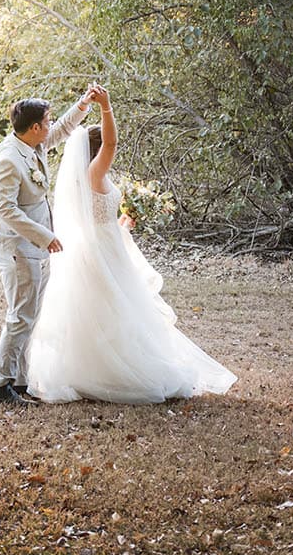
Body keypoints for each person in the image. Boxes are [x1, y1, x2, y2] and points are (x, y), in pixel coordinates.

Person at [25, 85, 236, 404]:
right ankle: (117, 374)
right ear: (97, 152)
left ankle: (97, 371)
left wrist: (123, 223)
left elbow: (97, 216)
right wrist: (105, 106)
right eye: (106, 150)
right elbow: (111, 142)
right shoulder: (95, 171)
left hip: (103, 245)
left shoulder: (89, 178)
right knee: (117, 309)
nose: (112, 153)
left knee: (109, 310)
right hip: (103, 252)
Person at [0, 87, 98, 405]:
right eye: (47, 121)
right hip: (17, 246)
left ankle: (20, 382)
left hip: (34, 246)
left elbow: (63, 129)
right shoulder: (9, 159)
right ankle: (0, 386)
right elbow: (6, 210)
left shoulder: (33, 144)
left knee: (30, 315)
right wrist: (45, 236)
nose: (51, 125)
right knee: (20, 316)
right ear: (35, 127)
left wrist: (83, 104)